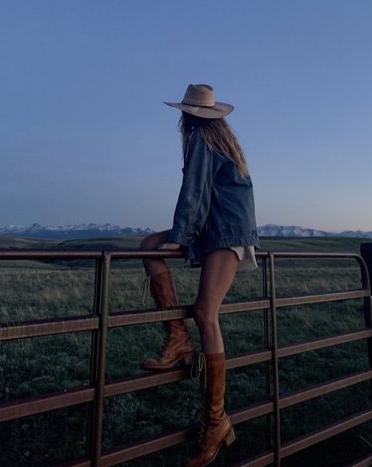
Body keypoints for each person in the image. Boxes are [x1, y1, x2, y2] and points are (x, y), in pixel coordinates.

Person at [140, 83, 260, 467]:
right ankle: (177, 338)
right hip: (217, 228)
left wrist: (180, 238)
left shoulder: (202, 141)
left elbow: (194, 193)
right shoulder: (219, 139)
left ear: (186, 115)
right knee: (147, 245)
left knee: (207, 315)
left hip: (224, 232)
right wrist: (181, 237)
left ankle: (216, 421)